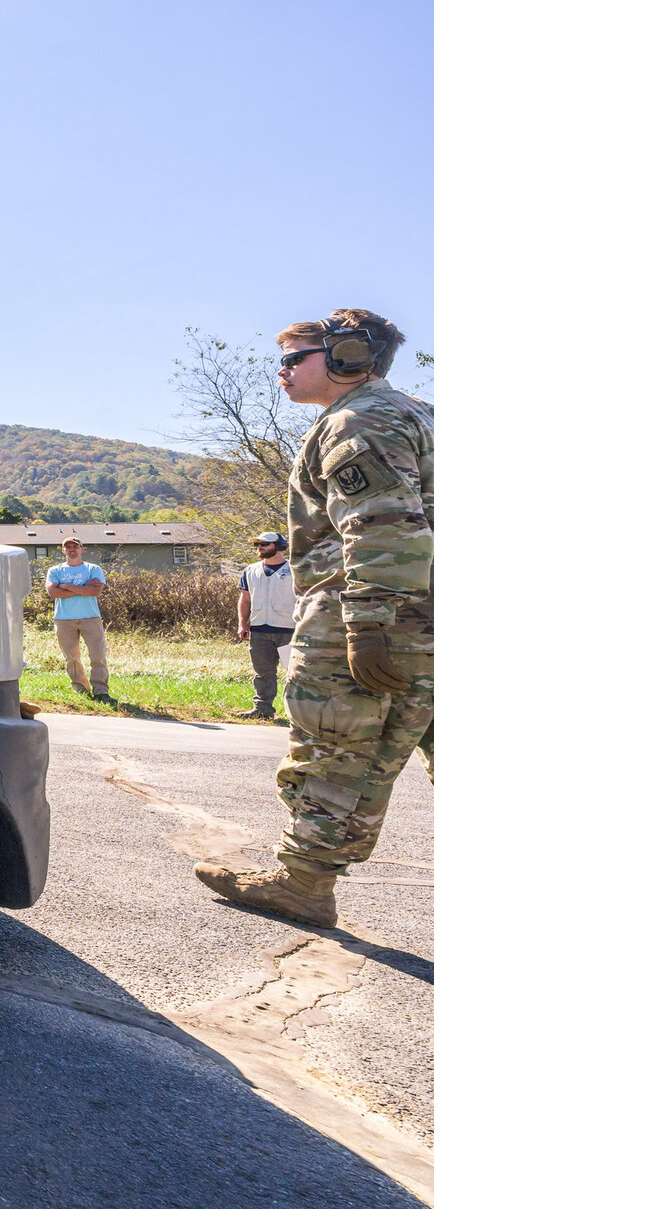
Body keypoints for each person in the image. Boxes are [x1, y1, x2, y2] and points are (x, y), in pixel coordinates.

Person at [195, 309, 433, 927]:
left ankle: (303, 883)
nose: (281, 371)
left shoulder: (359, 420)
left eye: (293, 357)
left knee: (334, 745)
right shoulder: (415, 413)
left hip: (375, 616)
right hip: (427, 615)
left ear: (348, 357)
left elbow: (381, 524)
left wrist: (367, 623)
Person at [235, 531, 297, 719]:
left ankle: (296, 713)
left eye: (265, 544)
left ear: (278, 546)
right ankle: (262, 709)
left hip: (289, 629)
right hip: (259, 630)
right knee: (262, 672)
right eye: (257, 545)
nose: (259, 548)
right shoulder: (250, 570)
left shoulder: (295, 569)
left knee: (294, 673)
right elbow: (244, 599)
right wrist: (242, 624)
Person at [43, 537, 111, 701]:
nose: (72, 550)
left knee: (98, 656)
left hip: (90, 618)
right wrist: (83, 588)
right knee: (72, 658)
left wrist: (65, 586)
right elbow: (53, 593)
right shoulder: (55, 571)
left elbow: (96, 592)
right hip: (64, 619)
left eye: (75, 547)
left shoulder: (93, 569)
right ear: (63, 550)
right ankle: (81, 691)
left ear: (82, 549)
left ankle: (101, 692)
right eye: (68, 547)